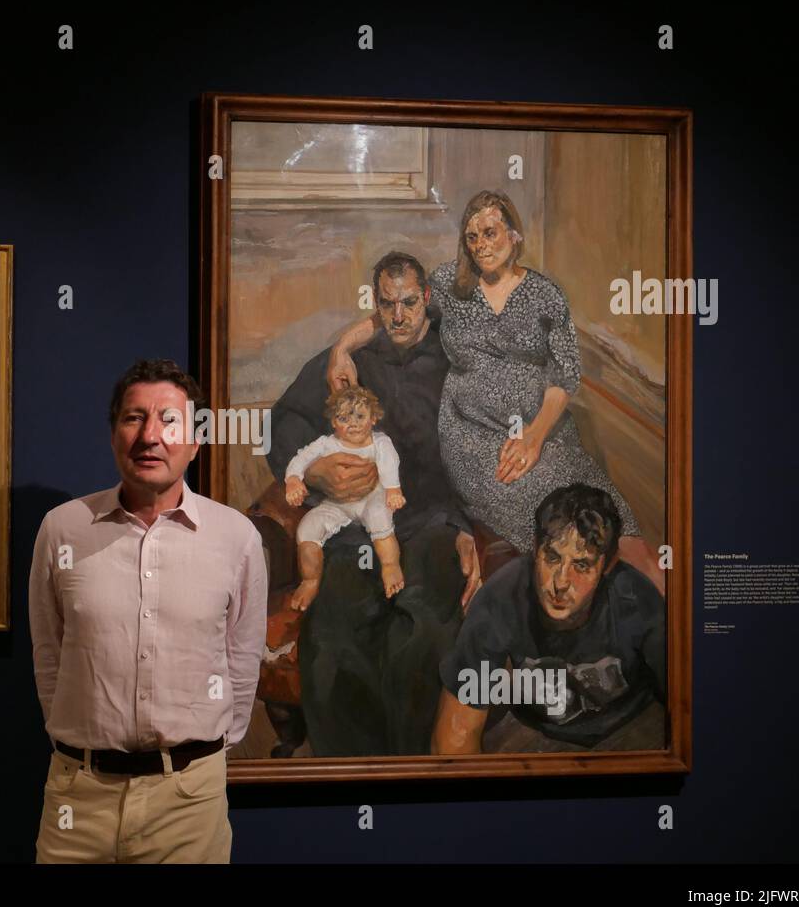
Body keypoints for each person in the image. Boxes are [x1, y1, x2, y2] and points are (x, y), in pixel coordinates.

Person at [327, 192, 662, 589]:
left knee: (614, 522)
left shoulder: (546, 295)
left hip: (544, 433)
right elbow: (394, 311)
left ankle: (660, 623)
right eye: (472, 237)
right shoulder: (451, 285)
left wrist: (535, 438)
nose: (481, 245)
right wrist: (341, 348)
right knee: (558, 519)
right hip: (472, 436)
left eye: (490, 232)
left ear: (514, 235)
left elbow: (563, 377)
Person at [29, 358, 267, 863]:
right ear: (114, 433)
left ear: (197, 439)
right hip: (79, 798)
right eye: (134, 418)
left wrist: (195, 764)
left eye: (168, 420)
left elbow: (243, 663)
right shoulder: (62, 530)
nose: (150, 436)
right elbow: (49, 655)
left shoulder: (236, 538)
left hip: (188, 804)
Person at [267, 251, 481, 757]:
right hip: (352, 524)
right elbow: (283, 424)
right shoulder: (347, 362)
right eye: (388, 305)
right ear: (375, 306)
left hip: (432, 520)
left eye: (409, 302)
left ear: (426, 299)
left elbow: (484, 457)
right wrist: (314, 472)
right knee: (336, 627)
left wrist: (466, 525)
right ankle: (351, 772)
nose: (400, 317)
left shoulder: (457, 356)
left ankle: (411, 771)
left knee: (427, 625)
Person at [433, 483, 666, 753]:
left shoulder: (638, 601)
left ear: (608, 565)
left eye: (581, 565)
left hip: (631, 725)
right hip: (536, 732)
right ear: (535, 549)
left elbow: (689, 706)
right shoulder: (499, 599)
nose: (561, 582)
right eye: (552, 557)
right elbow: (454, 736)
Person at [284, 385, 405, 610]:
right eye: (344, 417)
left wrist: (393, 489)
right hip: (338, 503)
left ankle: (390, 565)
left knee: (380, 517)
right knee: (307, 529)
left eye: (360, 416)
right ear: (333, 422)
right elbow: (301, 458)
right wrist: (293, 480)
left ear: (374, 418)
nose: (353, 423)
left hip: (372, 498)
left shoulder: (380, 443)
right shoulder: (326, 444)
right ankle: (310, 580)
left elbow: (389, 464)